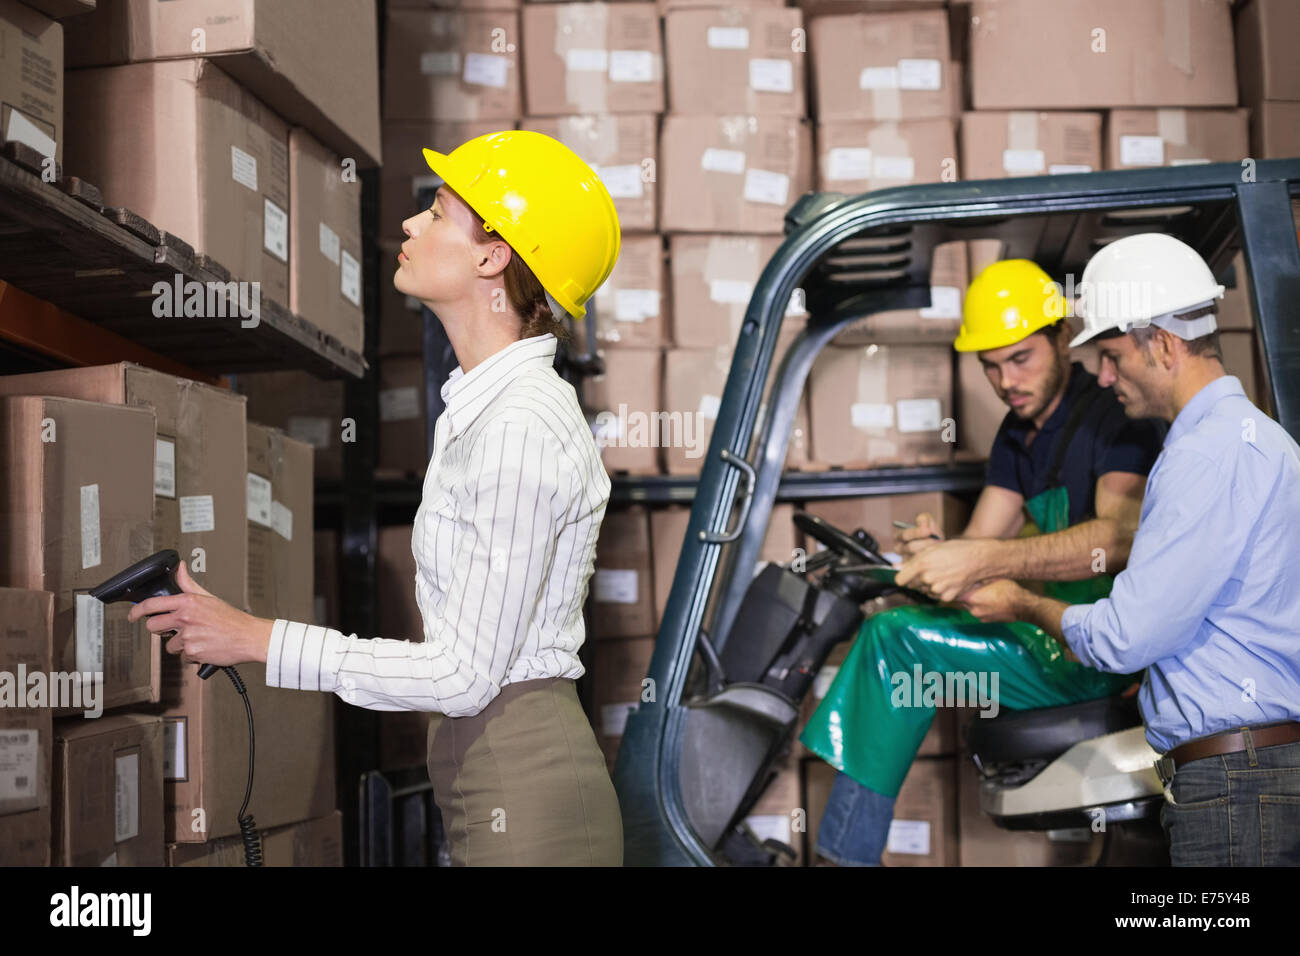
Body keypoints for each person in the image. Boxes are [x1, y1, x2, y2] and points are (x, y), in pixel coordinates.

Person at [128, 130, 626, 866]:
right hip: (485, 768)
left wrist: (257, 639)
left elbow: (462, 674)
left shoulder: (520, 425)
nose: (410, 225)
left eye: (439, 213)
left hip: (526, 782)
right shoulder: (484, 409)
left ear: (493, 257)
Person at [800, 259, 1166, 866]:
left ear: (1060, 337)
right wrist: (935, 552)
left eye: (1021, 358)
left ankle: (845, 857)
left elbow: (1117, 538)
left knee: (896, 642)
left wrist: (979, 558)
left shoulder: (1108, 413)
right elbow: (980, 538)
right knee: (894, 634)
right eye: (990, 367)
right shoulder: (1016, 434)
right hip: (1045, 626)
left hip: (1095, 648)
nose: (1006, 381)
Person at [961, 233, 1300, 867]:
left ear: (1165, 344)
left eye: (1114, 356)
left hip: (1236, 785)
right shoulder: (1250, 439)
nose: (1105, 377)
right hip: (1247, 773)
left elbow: (1124, 636)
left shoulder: (1206, 454)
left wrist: (1024, 603)